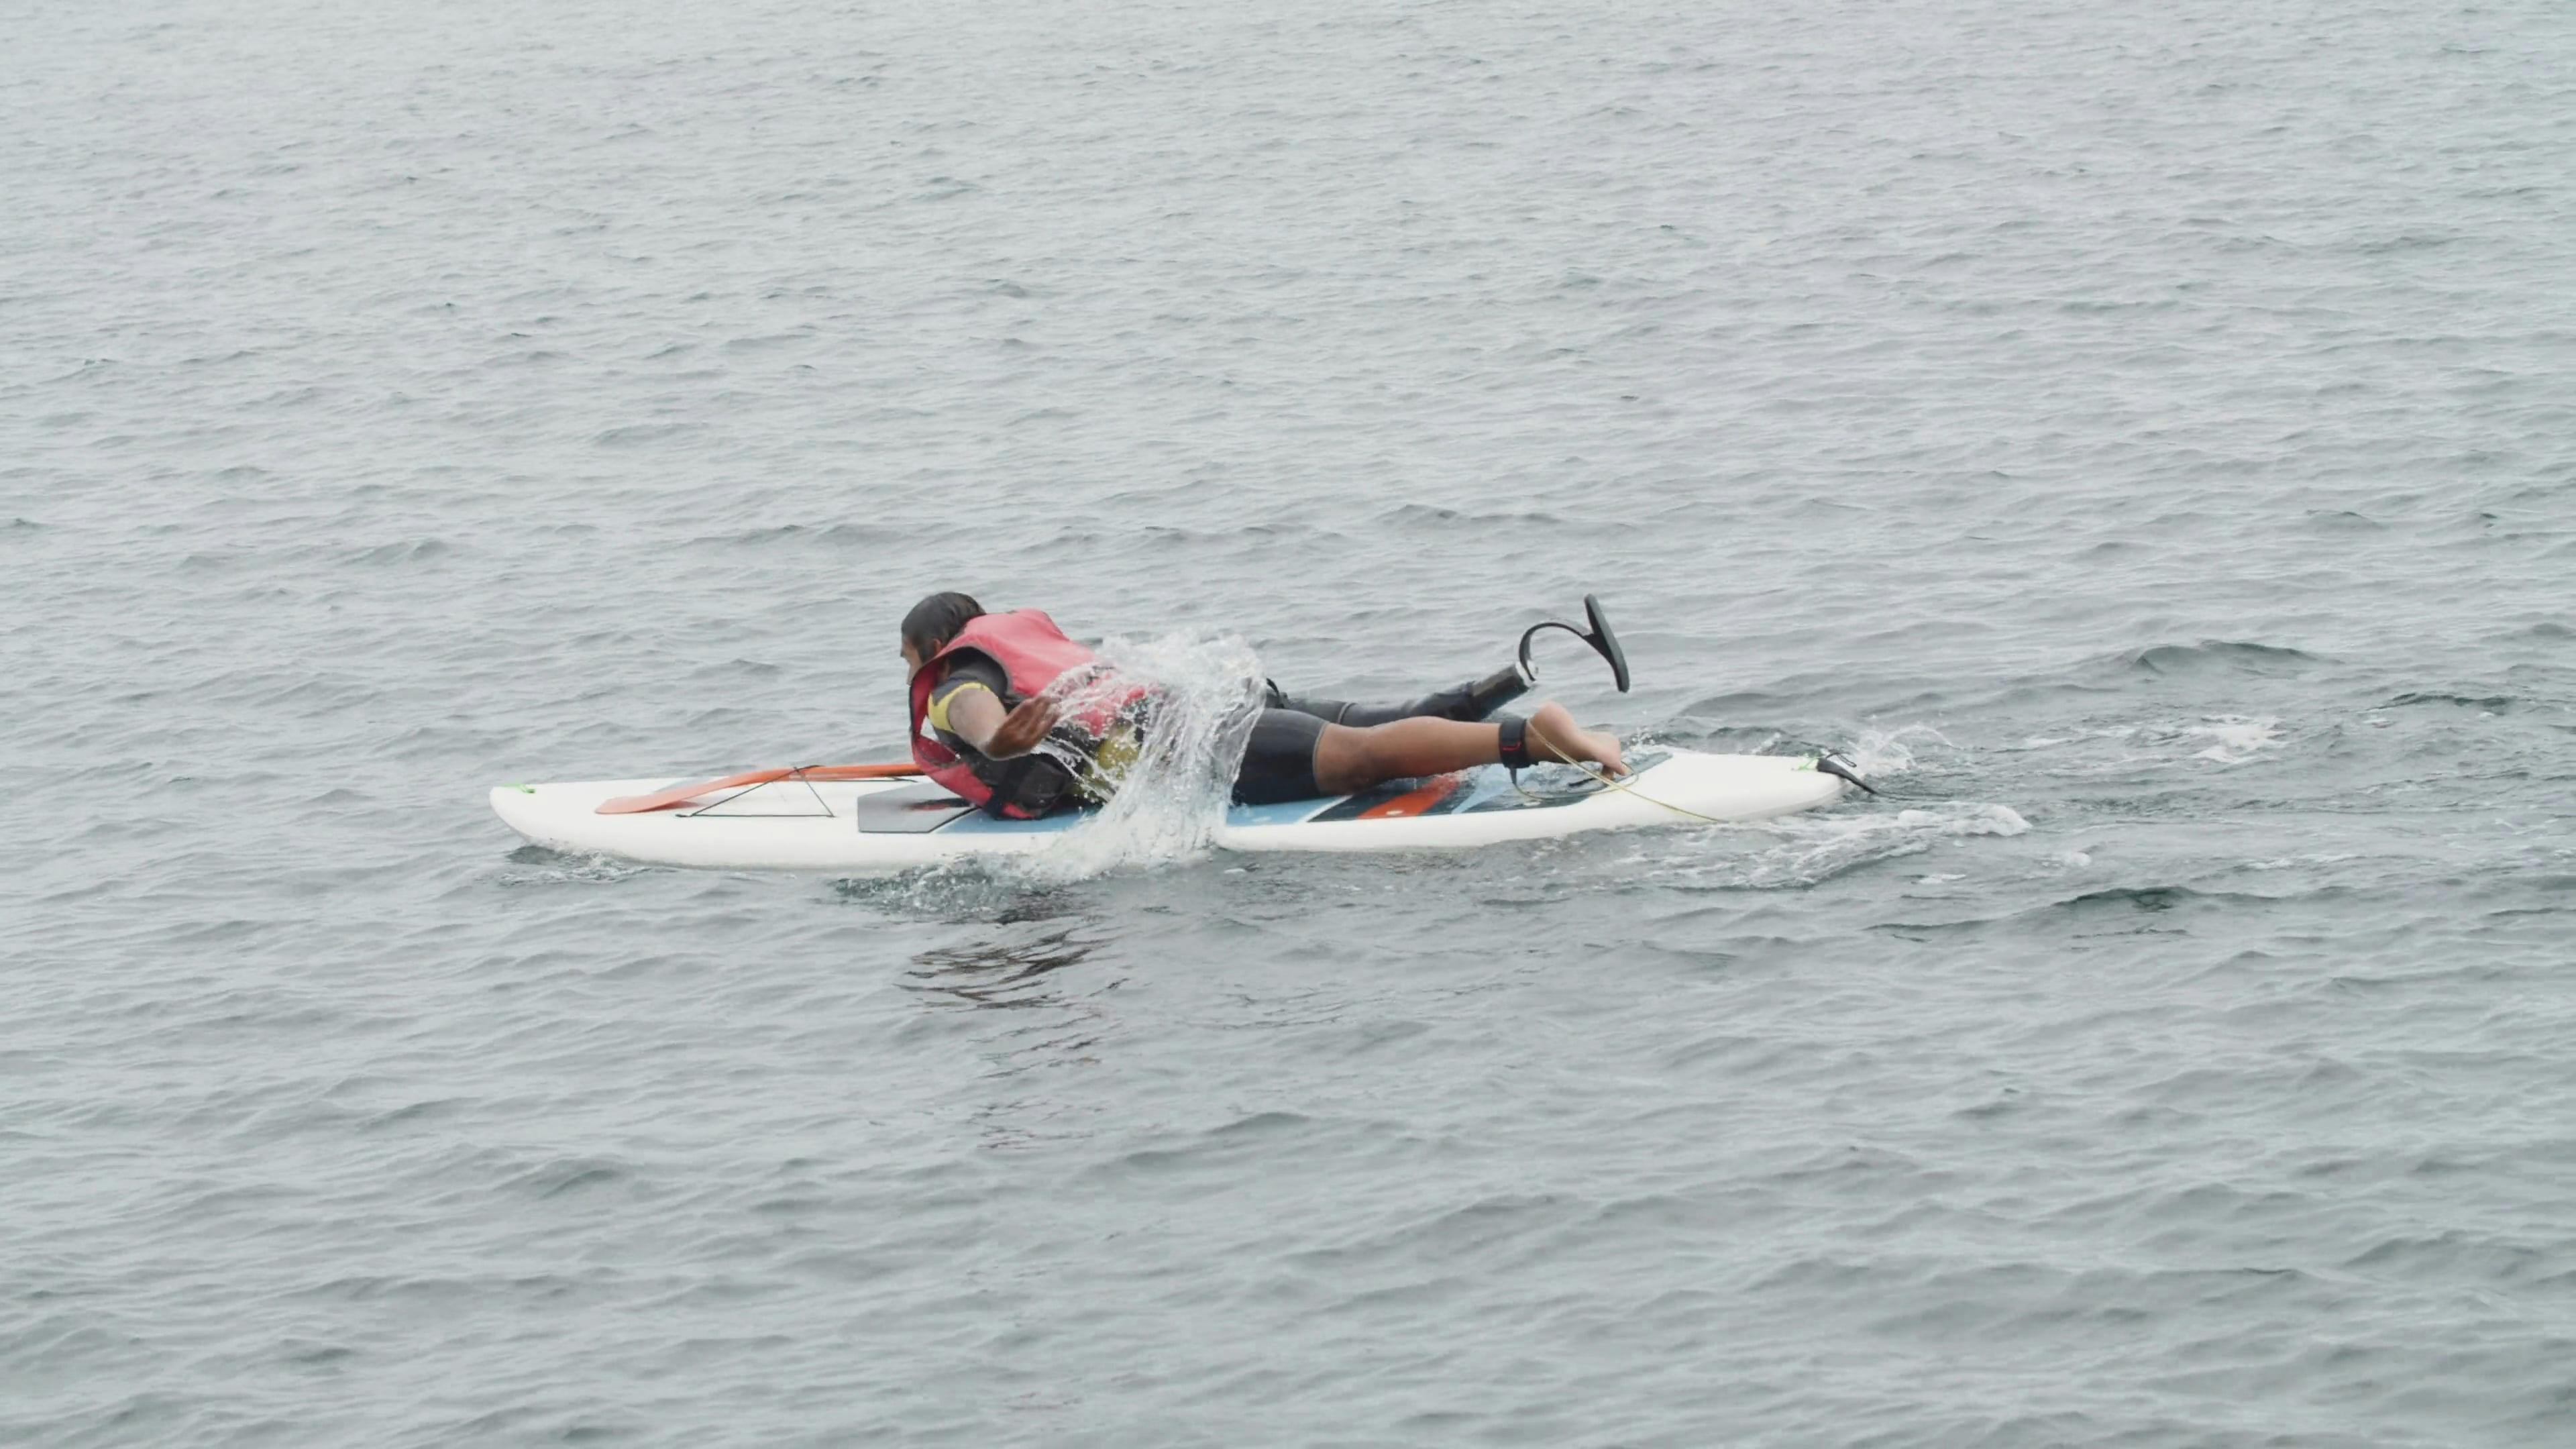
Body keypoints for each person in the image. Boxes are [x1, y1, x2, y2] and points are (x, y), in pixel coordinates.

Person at [900, 591, 1627, 818]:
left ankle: (1537, 738)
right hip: (1218, 702)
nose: (913, 674)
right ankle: (1507, 688)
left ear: (933, 644)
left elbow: (980, 726)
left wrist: (997, 745)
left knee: (1365, 761)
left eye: (908, 659)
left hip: (1193, 742)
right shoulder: (1023, 647)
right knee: (1382, 724)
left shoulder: (958, 680)